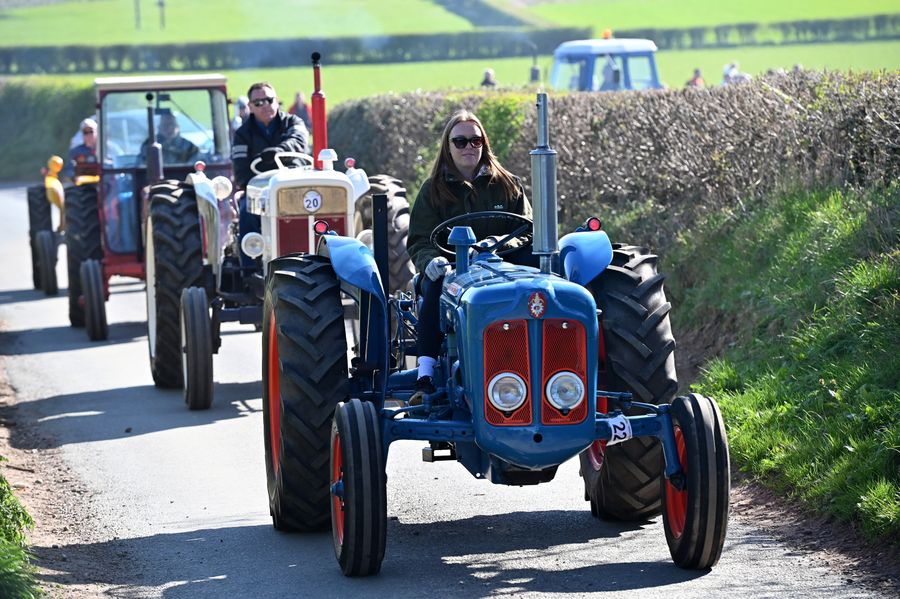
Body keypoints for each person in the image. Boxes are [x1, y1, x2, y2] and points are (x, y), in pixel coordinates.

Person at [406, 110, 533, 403]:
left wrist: (498, 244)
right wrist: (431, 262)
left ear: (484, 144)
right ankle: (425, 373)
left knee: (542, 279)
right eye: (460, 141)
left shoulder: (508, 184)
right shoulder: (433, 190)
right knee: (435, 285)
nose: (469, 147)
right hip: (451, 268)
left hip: (503, 266)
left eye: (475, 140)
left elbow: (527, 230)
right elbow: (419, 240)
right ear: (448, 147)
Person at [232, 82, 310, 269]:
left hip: (295, 186)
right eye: (258, 103)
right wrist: (258, 182)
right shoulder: (242, 134)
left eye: (269, 100)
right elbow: (241, 172)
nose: (265, 105)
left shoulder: (293, 122)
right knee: (247, 210)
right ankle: (251, 267)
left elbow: (298, 141)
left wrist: (279, 152)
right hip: (261, 191)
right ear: (250, 107)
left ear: (277, 101)